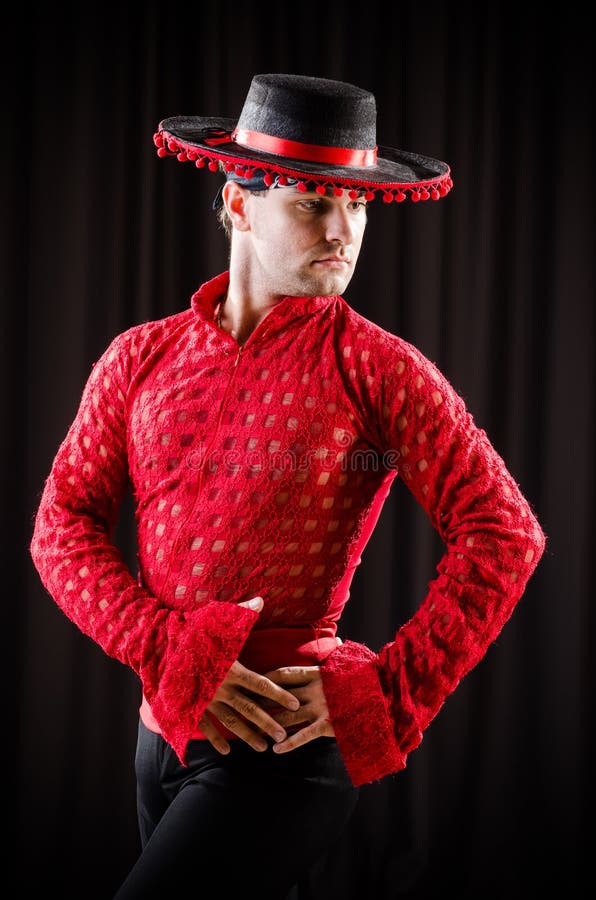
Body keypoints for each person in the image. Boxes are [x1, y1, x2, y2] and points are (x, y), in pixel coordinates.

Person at [30, 73, 546, 899]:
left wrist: (386, 685)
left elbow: (506, 532)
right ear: (238, 205)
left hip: (282, 751)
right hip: (157, 736)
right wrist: (163, 647)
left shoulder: (378, 367)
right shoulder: (139, 358)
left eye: (358, 206)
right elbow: (62, 524)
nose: (343, 231)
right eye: (313, 202)